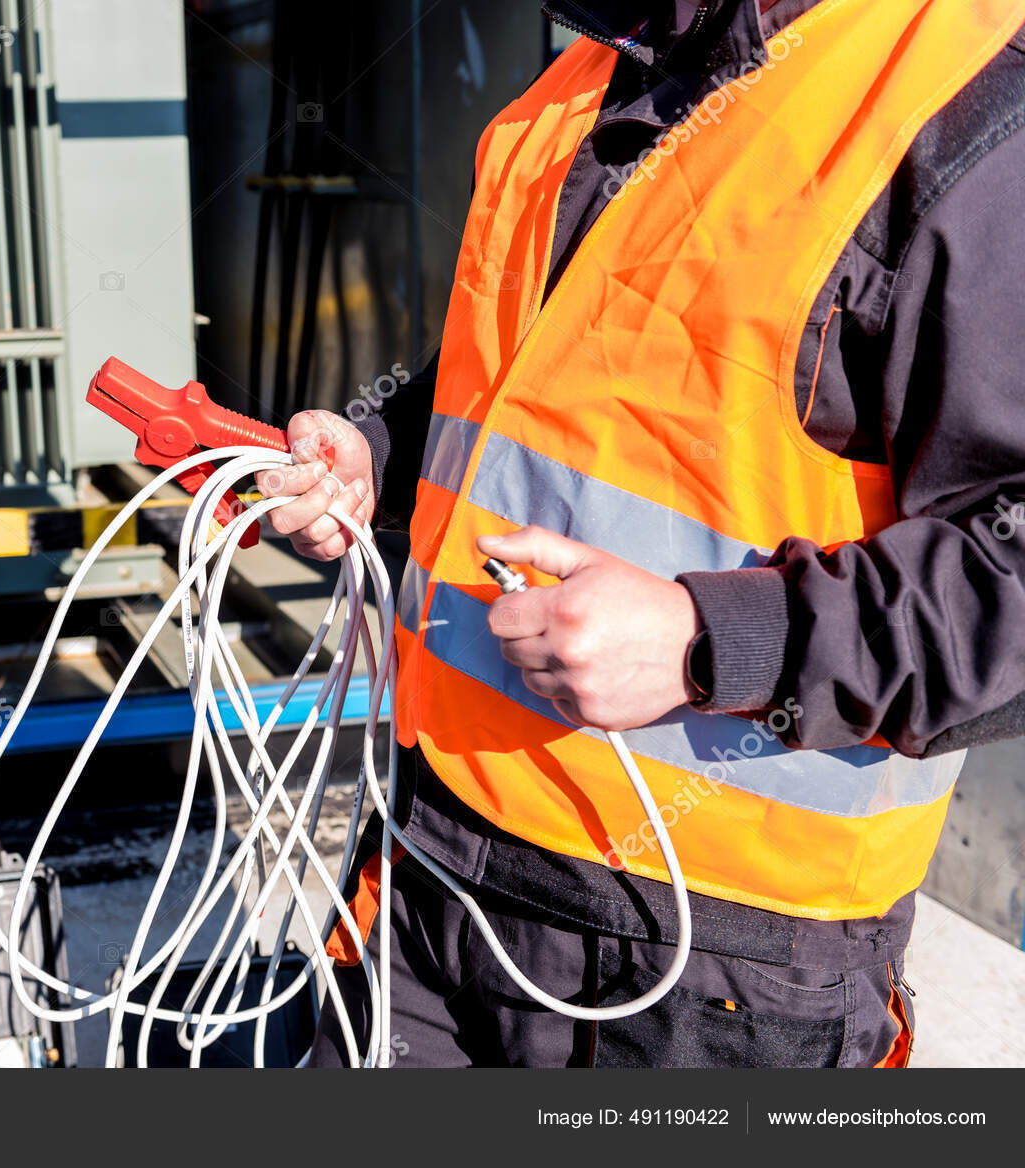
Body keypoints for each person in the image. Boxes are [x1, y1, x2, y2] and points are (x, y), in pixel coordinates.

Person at [259, 0, 1025, 1067]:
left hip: (714, 971)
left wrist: (710, 640)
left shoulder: (971, 100)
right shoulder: (584, 73)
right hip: (433, 861)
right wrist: (379, 451)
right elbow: (546, 377)